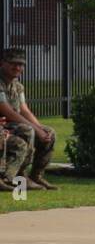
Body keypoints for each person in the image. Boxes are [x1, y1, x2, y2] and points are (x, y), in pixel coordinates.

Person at [0, 49, 57, 190]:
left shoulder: (17, 86)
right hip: (4, 125)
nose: (18, 68)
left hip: (10, 125)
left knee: (50, 132)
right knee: (27, 131)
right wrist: (36, 129)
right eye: (13, 63)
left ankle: (36, 176)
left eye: (21, 64)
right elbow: (7, 111)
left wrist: (41, 129)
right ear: (2, 63)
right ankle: (17, 177)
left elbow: (24, 110)